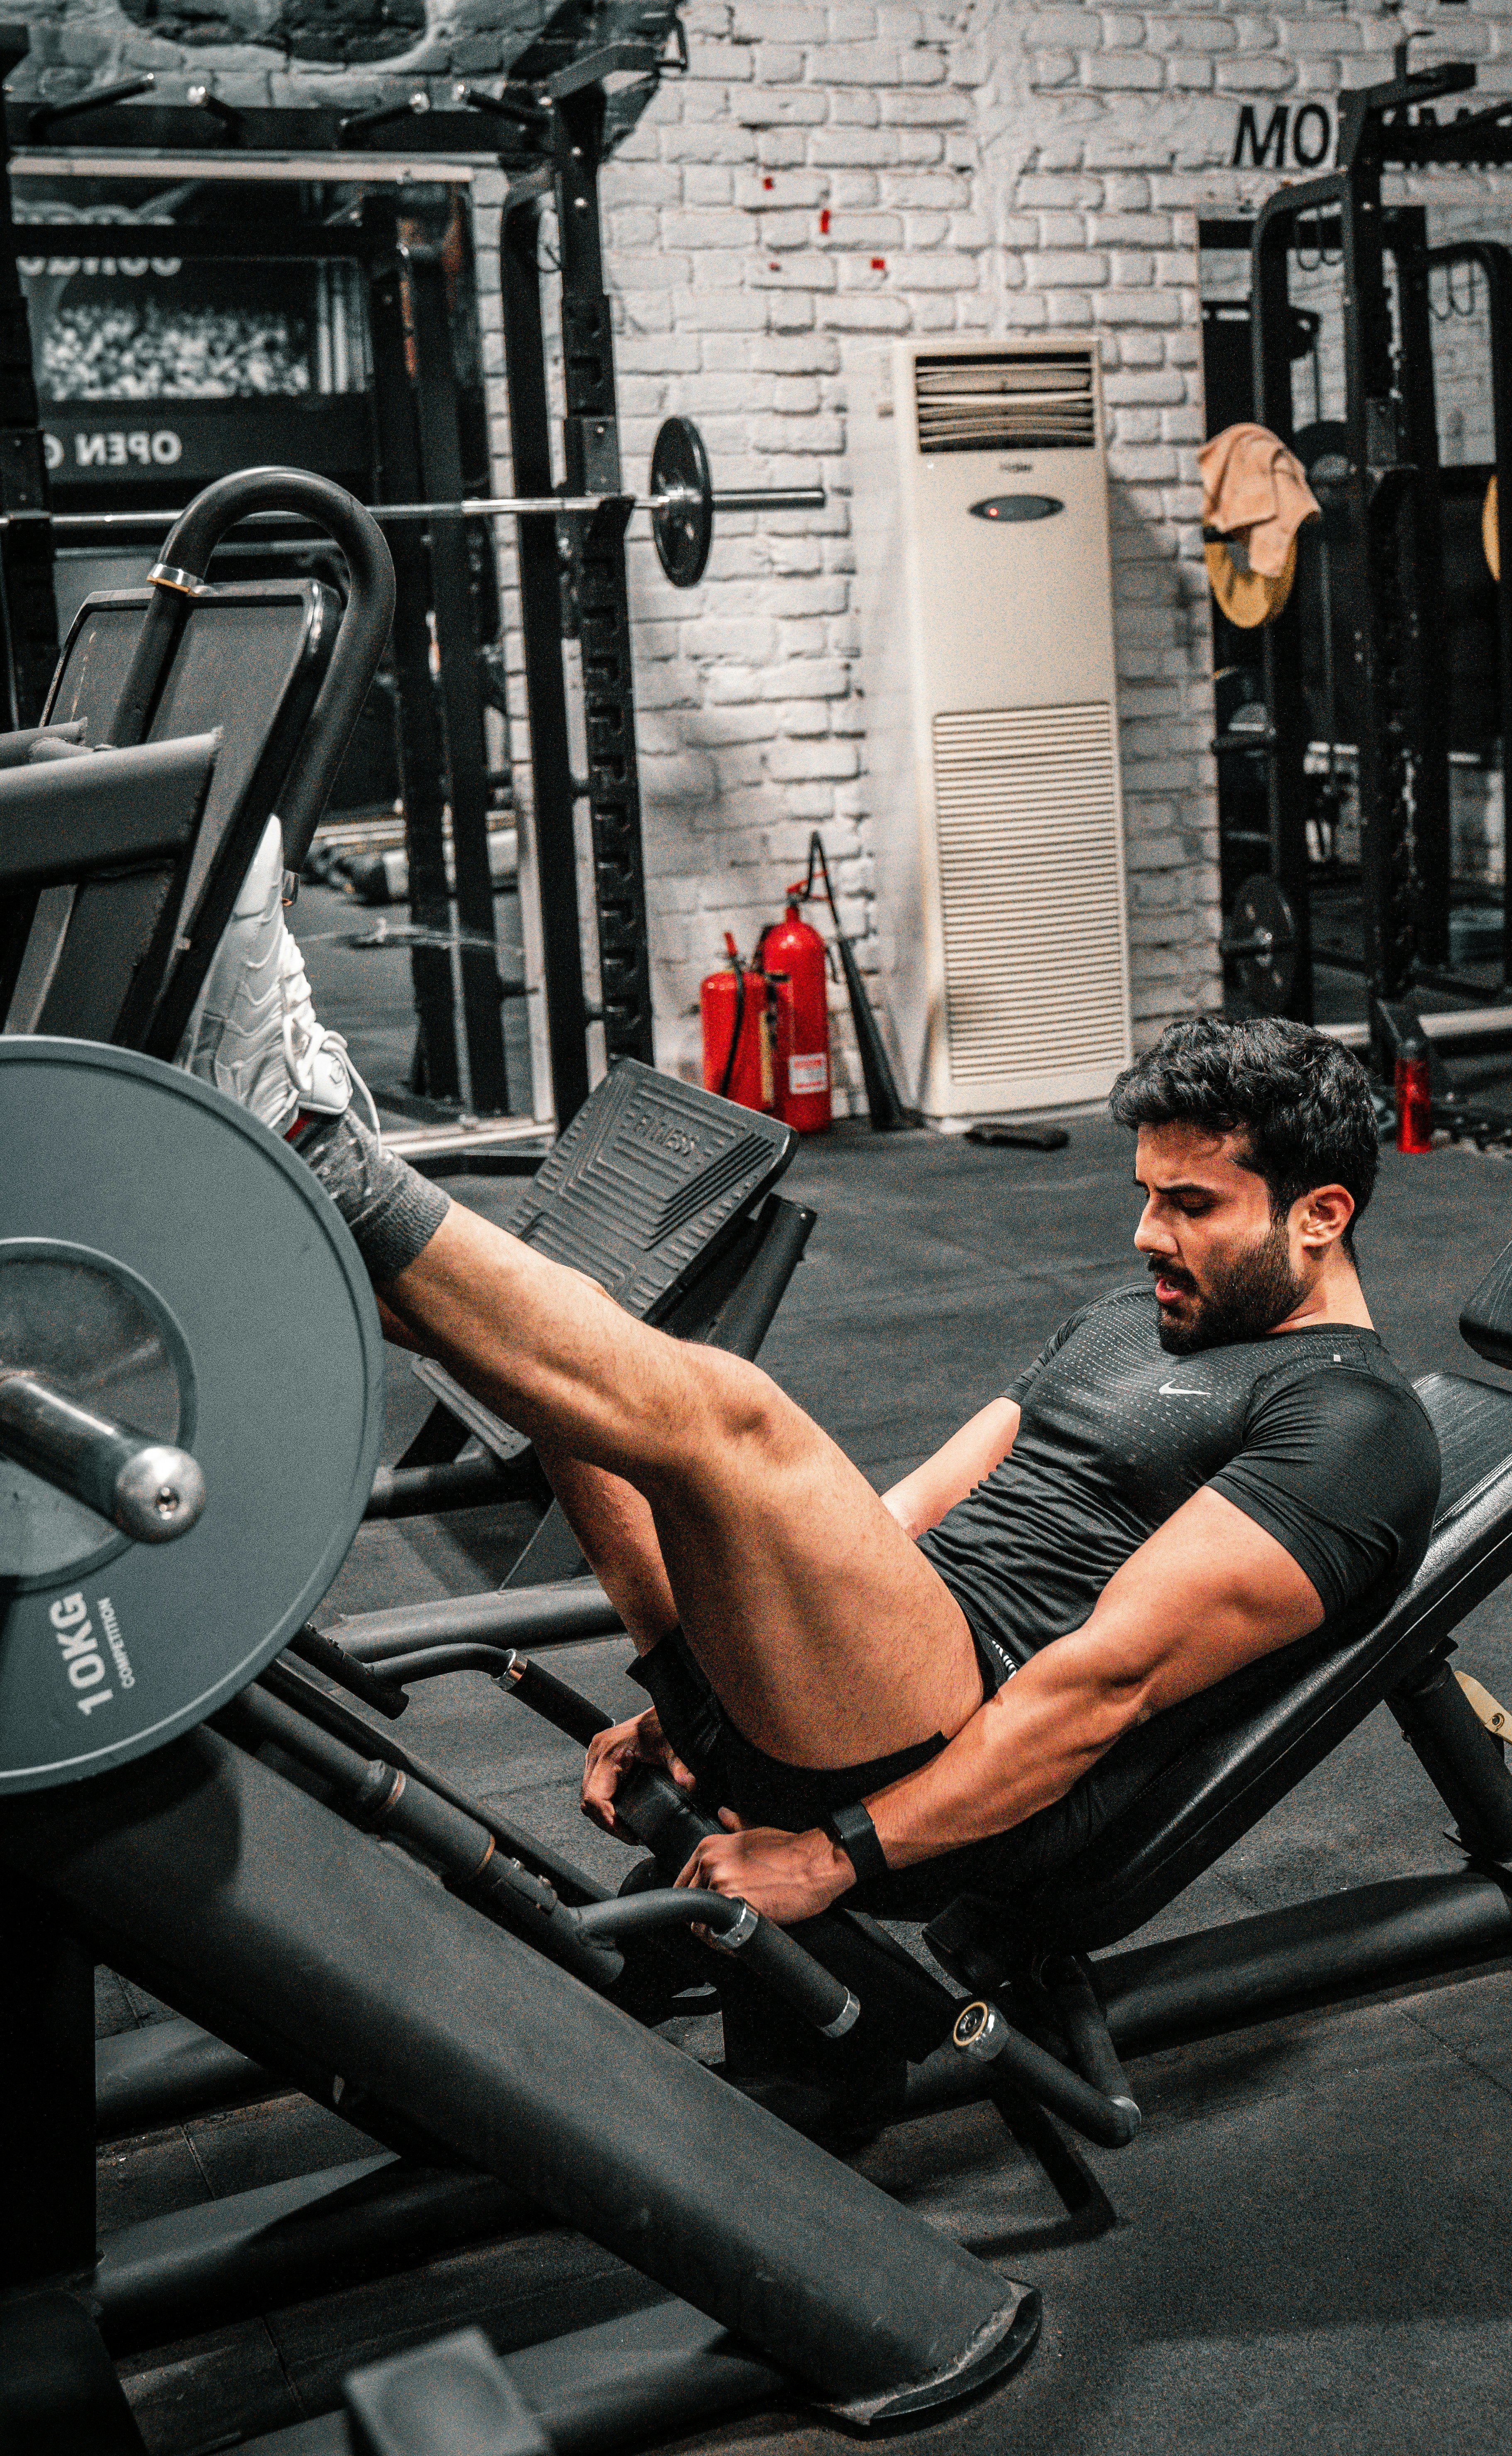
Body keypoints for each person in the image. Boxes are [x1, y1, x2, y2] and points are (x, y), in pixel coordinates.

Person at [184, 821, 1441, 1926]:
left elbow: (1097, 1688)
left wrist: (837, 1860)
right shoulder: (1131, 1318)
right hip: (841, 1687)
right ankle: (274, 1184)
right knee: (573, 1404)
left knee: (730, 1413)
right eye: (1143, 1198)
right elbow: (904, 1520)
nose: (1146, 1237)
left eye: (1190, 1207)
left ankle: (318, 1145)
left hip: (939, 1760)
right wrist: (718, 1692)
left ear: (1321, 1214)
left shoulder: (1352, 1423)